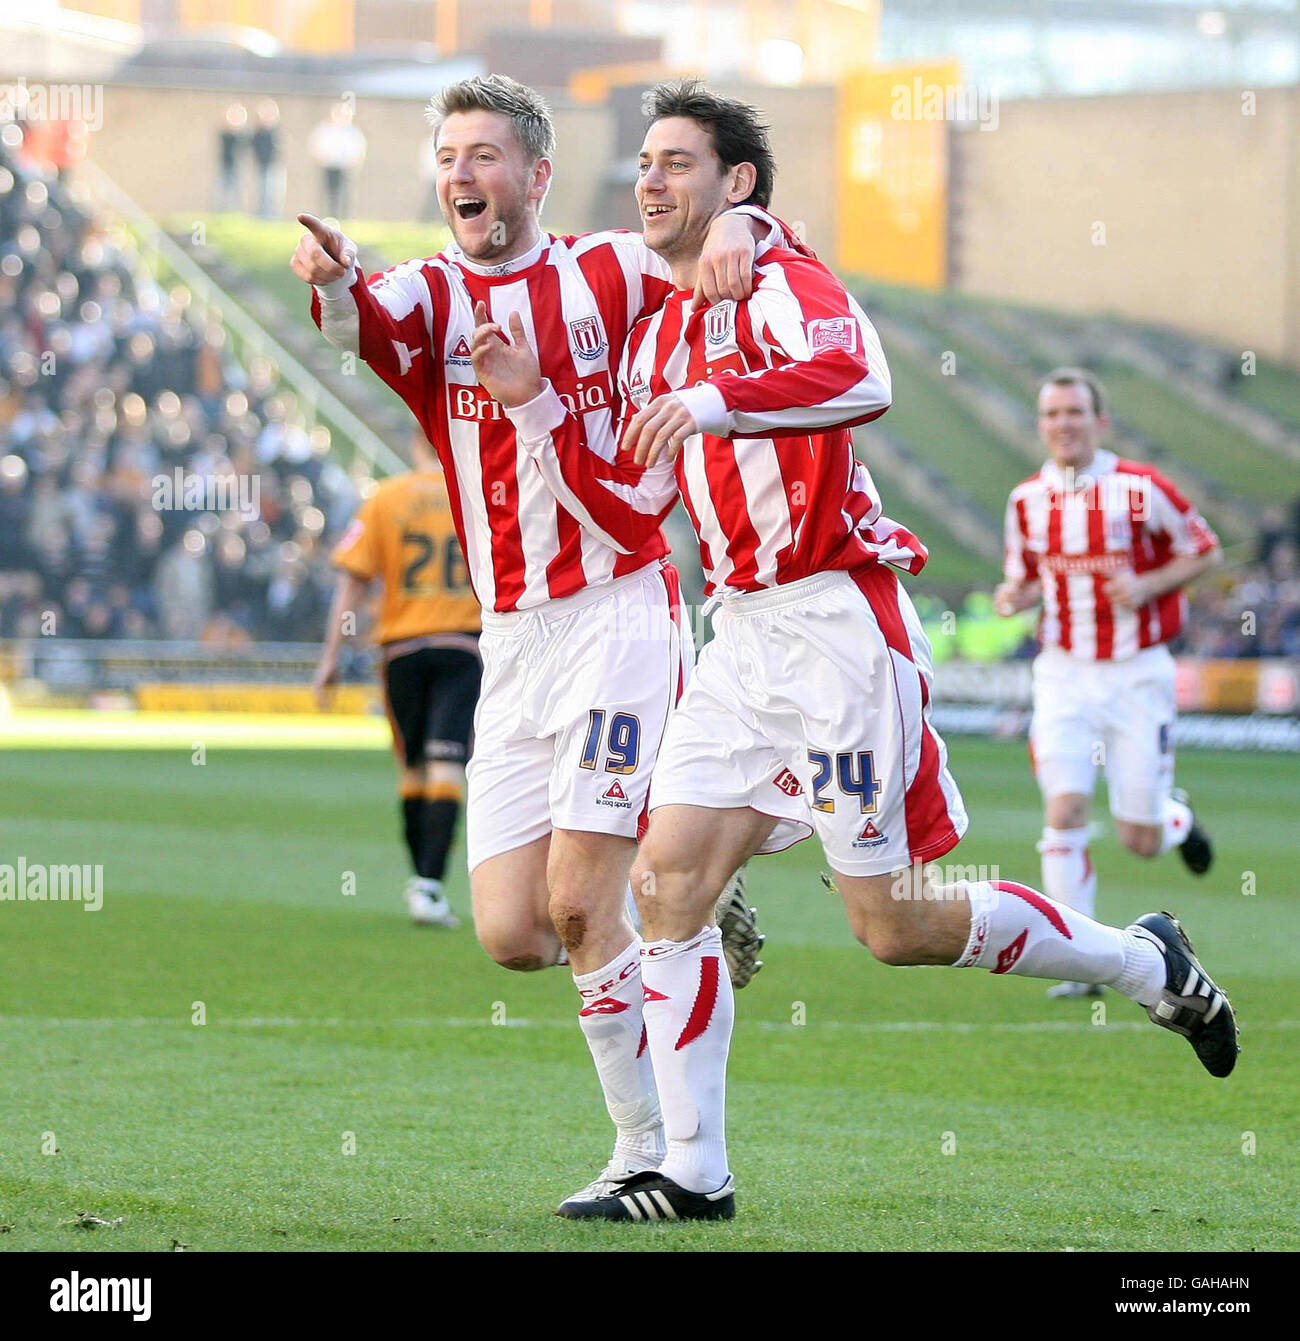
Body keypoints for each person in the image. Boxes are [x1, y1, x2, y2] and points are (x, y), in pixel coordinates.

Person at [472, 80, 1240, 1223]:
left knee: (893, 926)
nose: (648, 180)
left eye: (677, 164)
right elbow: (628, 501)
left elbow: (861, 381)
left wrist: (722, 382)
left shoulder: (782, 282)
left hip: (837, 627)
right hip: (741, 636)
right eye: (642, 162)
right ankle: (689, 1171)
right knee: (667, 879)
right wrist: (535, 410)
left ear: (736, 185)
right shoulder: (655, 335)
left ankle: (1144, 963)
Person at [292, 74, 775, 1213]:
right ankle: (694, 880)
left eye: (487, 155)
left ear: (538, 176)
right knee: (514, 934)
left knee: (576, 905)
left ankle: (651, 1154)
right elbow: (366, 306)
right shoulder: (431, 294)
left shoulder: (606, 269)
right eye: (450, 155)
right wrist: (333, 270)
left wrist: (746, 222)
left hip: (617, 609)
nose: (464, 175)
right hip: (507, 636)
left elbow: (717, 223)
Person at [994, 370, 1222, 997]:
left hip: (1136, 673)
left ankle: (1174, 821)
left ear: (1100, 421)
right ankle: (1083, 964)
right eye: (1051, 414)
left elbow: (1206, 549)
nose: (1063, 424)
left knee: (1138, 839)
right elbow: (1030, 577)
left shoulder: (1142, 489)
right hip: (1063, 672)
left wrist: (1150, 585)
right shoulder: (1026, 501)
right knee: (1063, 810)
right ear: (1041, 425)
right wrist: (1016, 595)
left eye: (1074, 412)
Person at [314, 430, 482, 928]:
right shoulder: (473, 492)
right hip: (463, 646)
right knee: (448, 764)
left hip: (402, 650)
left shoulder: (384, 499)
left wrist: (330, 657)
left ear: (415, 443)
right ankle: (428, 887)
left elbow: (352, 583)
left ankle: (421, 884)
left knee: (412, 769)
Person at [308, 101, 366, 220]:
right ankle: (329, 217)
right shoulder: (325, 129)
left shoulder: (352, 132)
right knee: (330, 195)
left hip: (346, 167)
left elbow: (359, 150)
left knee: (346, 195)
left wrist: (354, 162)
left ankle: (345, 218)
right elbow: (316, 147)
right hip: (330, 166)